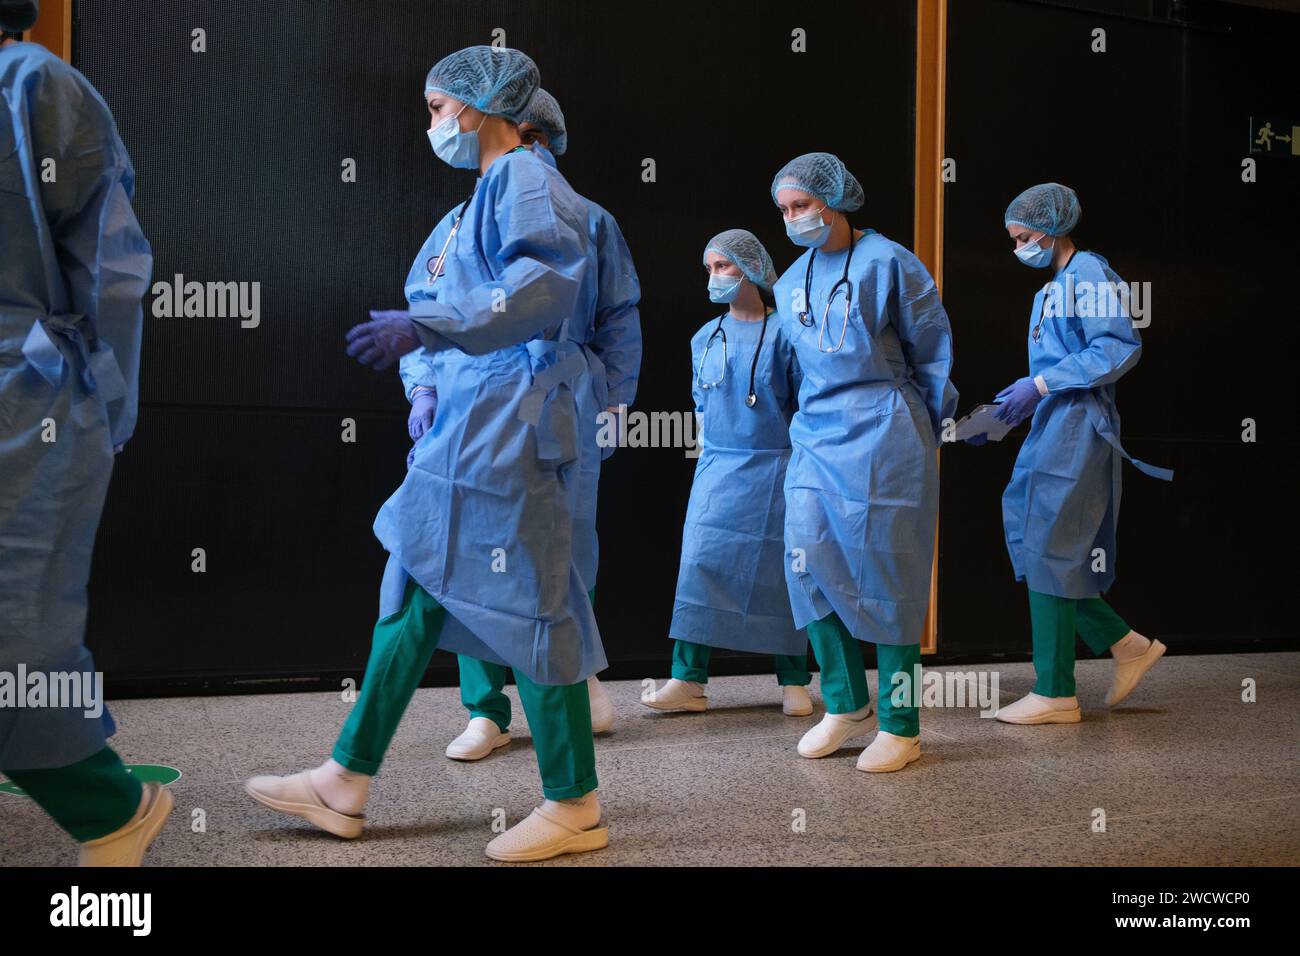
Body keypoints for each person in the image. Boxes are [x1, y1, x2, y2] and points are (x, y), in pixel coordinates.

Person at [245, 46, 609, 863]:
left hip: (512, 427)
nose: (433, 122)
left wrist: (434, 330)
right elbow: (429, 304)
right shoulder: (470, 207)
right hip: (462, 430)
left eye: (441, 106)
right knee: (411, 586)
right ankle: (347, 778)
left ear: (482, 107)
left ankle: (575, 803)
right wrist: (424, 378)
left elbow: (545, 286)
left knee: (534, 608)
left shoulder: (527, 180)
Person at [400, 87, 641, 761]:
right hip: (474, 403)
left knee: (559, 549)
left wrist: (616, 401)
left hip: (559, 400)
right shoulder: (457, 222)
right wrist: (423, 387)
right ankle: (484, 706)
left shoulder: (590, 221)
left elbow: (618, 315)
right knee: (464, 550)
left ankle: (575, 674)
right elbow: (427, 306)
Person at [0, 0, 168, 865]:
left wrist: (101, 396)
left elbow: (109, 266)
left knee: (14, 632)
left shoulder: (34, 83)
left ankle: (110, 809)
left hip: (28, 398)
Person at [770, 152, 957, 772]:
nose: (794, 218)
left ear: (835, 200)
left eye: (803, 205)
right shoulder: (788, 281)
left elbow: (931, 349)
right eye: (785, 210)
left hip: (885, 429)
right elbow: (795, 369)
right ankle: (845, 702)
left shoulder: (890, 263)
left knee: (890, 580)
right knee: (808, 565)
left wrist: (927, 423)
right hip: (816, 434)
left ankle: (901, 725)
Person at [966, 183, 1172, 724]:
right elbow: (1057, 368)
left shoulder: (1091, 274)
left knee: (1051, 552)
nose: (1019, 250)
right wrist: (1009, 411)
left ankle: (1055, 691)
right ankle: (1125, 645)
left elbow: (1117, 346)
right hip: (1054, 426)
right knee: (1041, 547)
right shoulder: (1049, 290)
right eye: (1012, 241)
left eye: (1024, 237)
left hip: (1082, 428)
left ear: (1055, 225)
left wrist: (1042, 383)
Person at [641, 230, 812, 716]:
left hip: (777, 466)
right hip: (719, 466)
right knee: (700, 565)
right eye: (709, 269)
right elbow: (703, 404)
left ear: (752, 269)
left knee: (782, 572)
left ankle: (794, 679)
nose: (714, 278)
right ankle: (688, 679)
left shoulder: (786, 333)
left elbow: (804, 404)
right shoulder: (705, 337)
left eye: (723, 267)